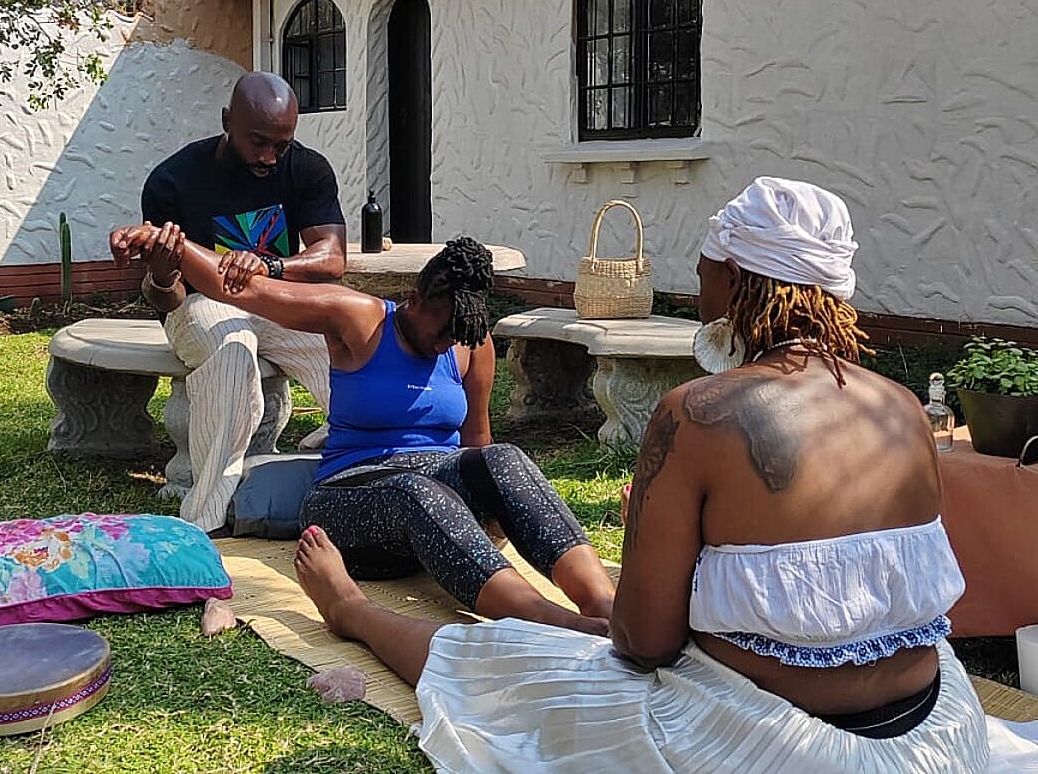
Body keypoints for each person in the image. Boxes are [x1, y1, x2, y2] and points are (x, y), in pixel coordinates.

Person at [288, 178, 990, 772]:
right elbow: (847, 586)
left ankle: (351, 609)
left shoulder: (700, 412)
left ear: (739, 279)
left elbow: (647, 643)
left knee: (496, 656)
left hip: (772, 744)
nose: (699, 278)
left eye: (708, 263)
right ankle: (567, 606)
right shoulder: (905, 408)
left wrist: (654, 552)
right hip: (937, 736)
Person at [113, 224, 617, 635]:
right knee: (414, 492)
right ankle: (555, 622)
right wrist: (175, 245)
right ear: (415, 299)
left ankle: (606, 604)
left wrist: (493, 507)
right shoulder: (360, 320)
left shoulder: (471, 341)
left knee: (505, 459)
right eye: (438, 328)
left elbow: (477, 444)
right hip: (350, 501)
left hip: (434, 512)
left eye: (456, 334)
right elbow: (252, 290)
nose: (445, 344)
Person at [112, 71, 345, 533]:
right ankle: (206, 519)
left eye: (281, 144)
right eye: (258, 141)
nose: (268, 157)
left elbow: (331, 258)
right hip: (198, 306)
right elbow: (167, 296)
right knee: (233, 352)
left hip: (275, 297)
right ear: (226, 122)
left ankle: (368, 470)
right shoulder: (173, 180)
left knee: (352, 339)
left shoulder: (307, 168)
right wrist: (162, 268)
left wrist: (269, 267)